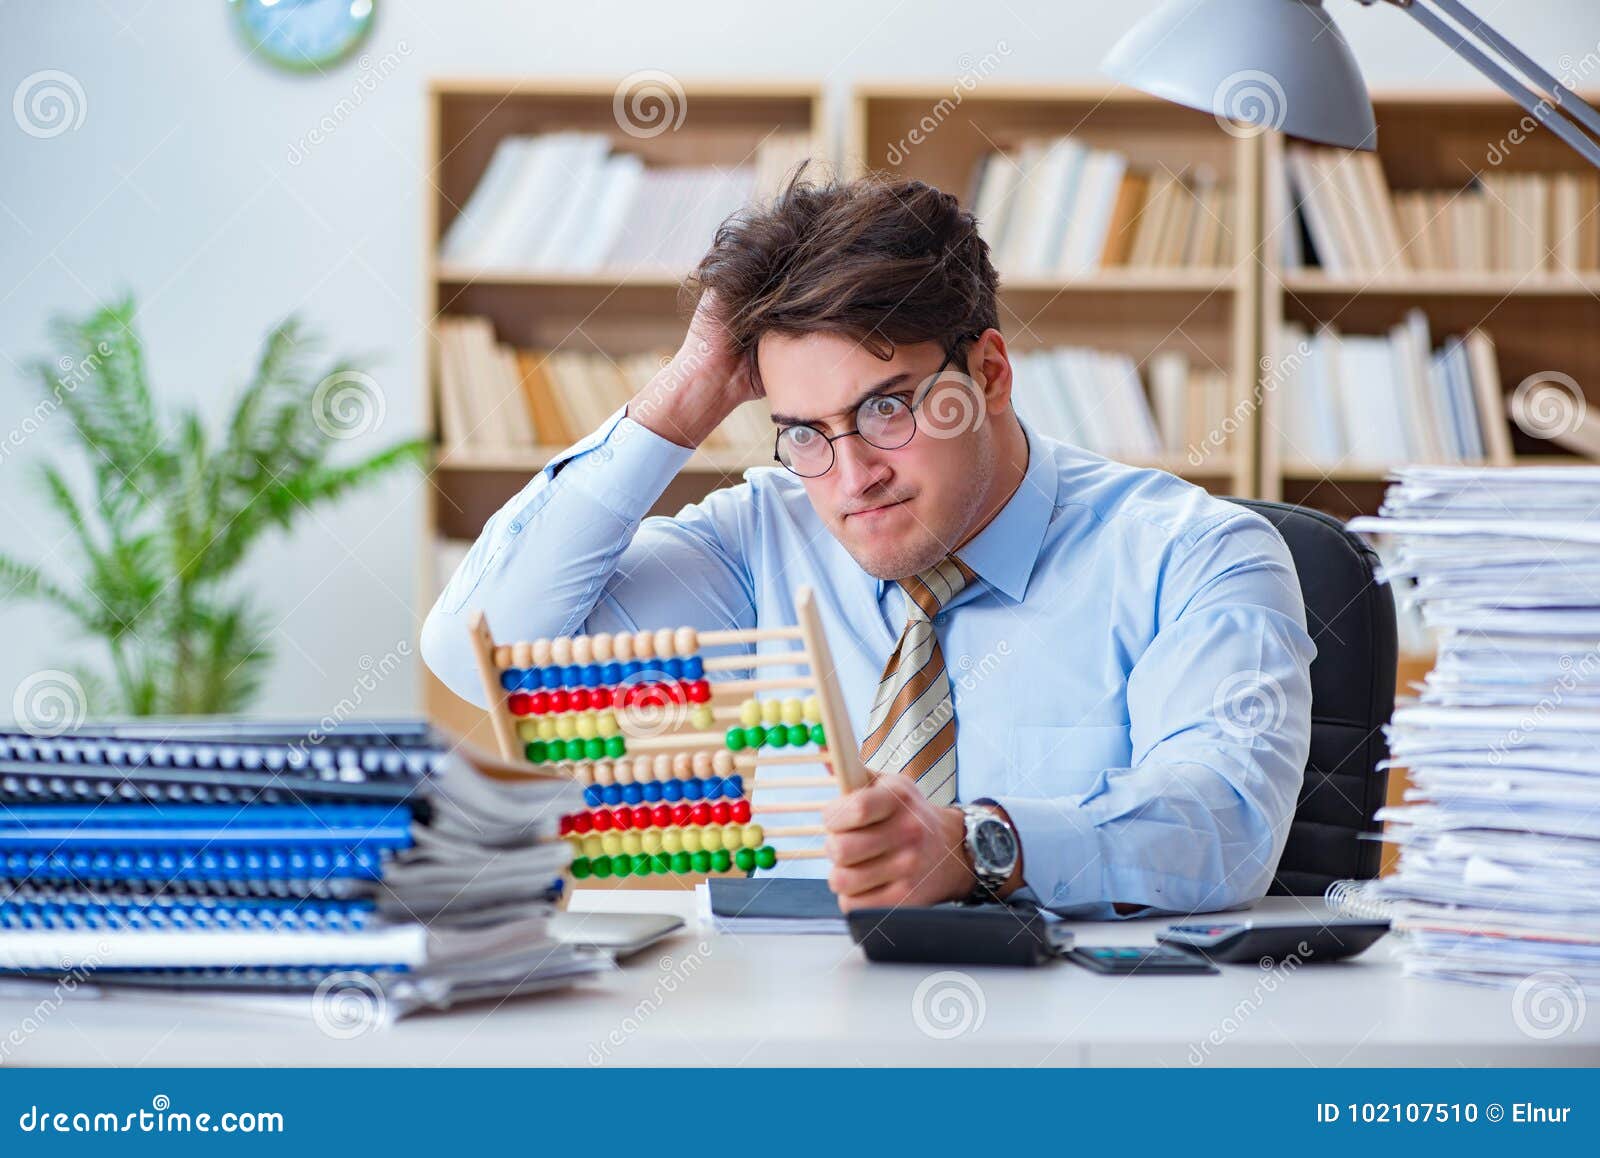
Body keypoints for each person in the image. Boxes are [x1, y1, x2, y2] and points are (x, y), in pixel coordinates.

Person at [421, 168, 1314, 917]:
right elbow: (481, 656)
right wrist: (686, 393)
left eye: (887, 408)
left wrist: (980, 846)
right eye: (805, 431)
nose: (851, 480)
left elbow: (1228, 820)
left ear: (990, 375)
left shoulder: (1191, 554)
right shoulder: (760, 536)